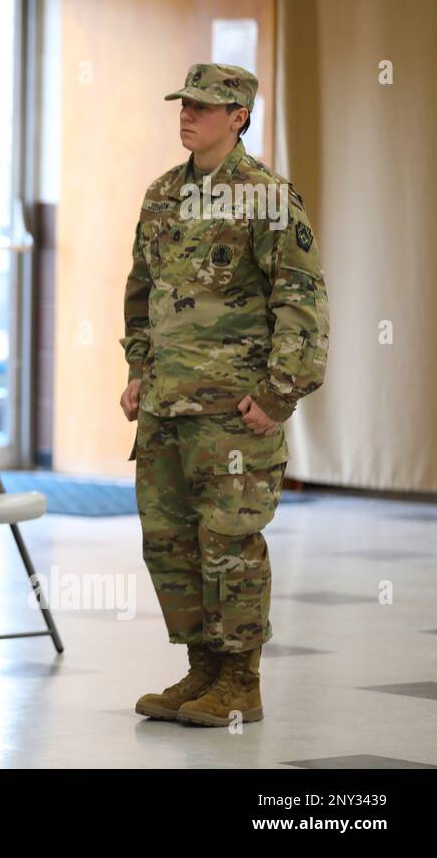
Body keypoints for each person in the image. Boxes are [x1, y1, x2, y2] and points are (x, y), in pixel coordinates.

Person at [121, 62, 329, 726]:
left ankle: (242, 679)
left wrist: (279, 395)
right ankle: (202, 669)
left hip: (234, 415)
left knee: (229, 544)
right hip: (164, 407)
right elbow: (140, 292)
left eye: (203, 107)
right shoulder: (162, 194)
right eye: (184, 103)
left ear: (238, 116)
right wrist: (137, 369)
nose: (187, 115)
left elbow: (302, 304)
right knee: (171, 542)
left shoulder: (268, 196)